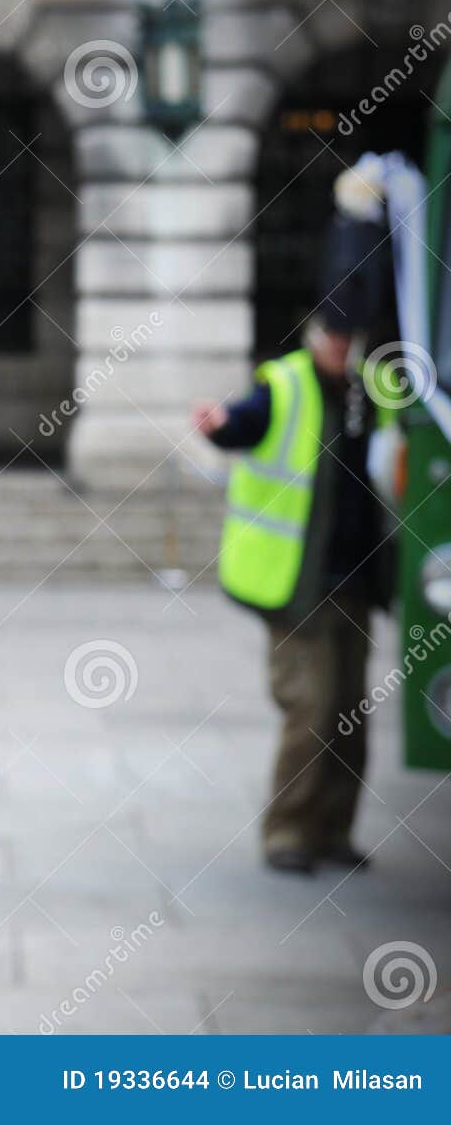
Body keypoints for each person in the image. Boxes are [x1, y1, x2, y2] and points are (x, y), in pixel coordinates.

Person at [190, 182, 396, 875]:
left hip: (353, 580)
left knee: (351, 717)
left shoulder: (370, 387)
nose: (343, 347)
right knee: (309, 710)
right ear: (316, 335)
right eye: (334, 336)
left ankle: (332, 829)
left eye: (350, 337)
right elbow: (243, 420)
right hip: (295, 584)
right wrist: (221, 424)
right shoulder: (284, 382)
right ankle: (286, 832)